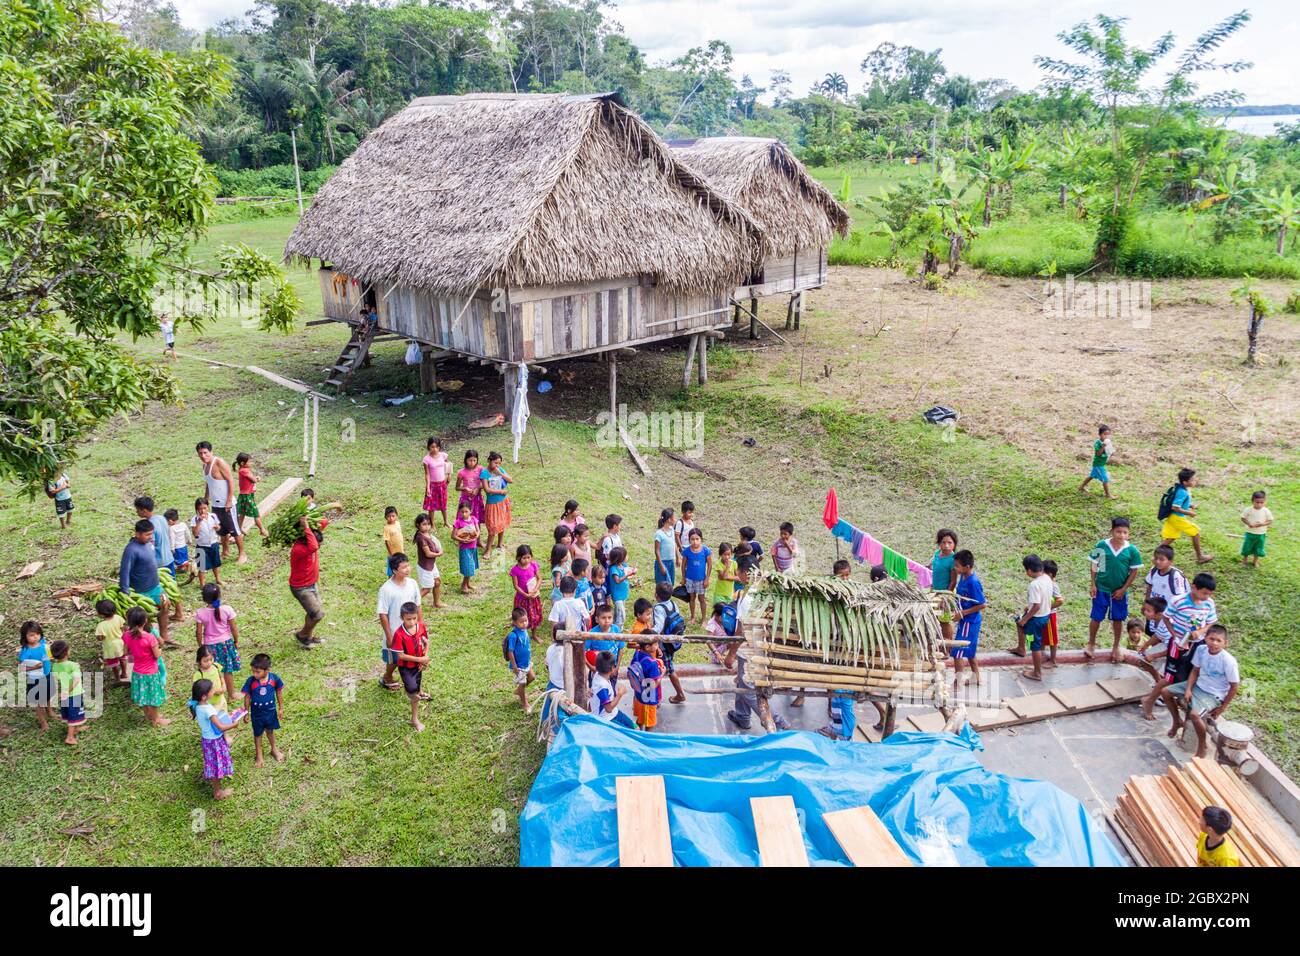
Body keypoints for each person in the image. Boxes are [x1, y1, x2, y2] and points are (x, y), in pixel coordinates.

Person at [1142, 572, 1219, 717]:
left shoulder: (1209, 603)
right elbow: (1166, 618)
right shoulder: (1178, 601)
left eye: (1209, 594)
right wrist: (1175, 635)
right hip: (1178, 644)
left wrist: (1201, 631)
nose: (1206, 597)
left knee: (1190, 674)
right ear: (1194, 587)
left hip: (1197, 644)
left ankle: (1183, 703)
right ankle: (1149, 701)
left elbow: (1210, 622)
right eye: (1204, 593)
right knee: (1169, 677)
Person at [1155, 624, 1238, 758]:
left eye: (1218, 641)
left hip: (1213, 694)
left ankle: (1202, 745)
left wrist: (1222, 708)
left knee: (1195, 715)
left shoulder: (1228, 661)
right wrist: (1188, 689)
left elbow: (1234, 686)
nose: (1214, 643)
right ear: (1205, 638)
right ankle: (1177, 721)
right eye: (1211, 639)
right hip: (1198, 685)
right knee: (1165, 692)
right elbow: (1195, 671)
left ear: (1225, 643)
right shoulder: (1201, 649)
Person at [1086, 517, 1144, 664]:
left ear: (1128, 534)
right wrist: (1093, 584)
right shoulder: (1102, 546)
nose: (1121, 535)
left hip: (1119, 592)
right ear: (1112, 531)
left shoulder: (1131, 551)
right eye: (1118, 531)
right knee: (1096, 618)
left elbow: (1133, 572)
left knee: (1118, 619)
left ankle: (1116, 646)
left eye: (1125, 532)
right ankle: (1091, 643)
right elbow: (1095, 565)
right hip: (1101, 589)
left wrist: (1123, 589)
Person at [119, 518, 173, 647]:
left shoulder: (149, 544)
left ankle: (164, 635)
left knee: (166, 605)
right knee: (145, 617)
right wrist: (125, 590)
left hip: (154, 585)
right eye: (147, 534)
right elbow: (125, 570)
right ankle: (154, 640)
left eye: (151, 533)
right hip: (141, 590)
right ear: (137, 534)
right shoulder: (131, 550)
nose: (150, 537)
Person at [190, 678, 244, 799]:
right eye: (211, 690)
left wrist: (229, 716)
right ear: (204, 696)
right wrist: (234, 724)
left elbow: (215, 722)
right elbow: (220, 726)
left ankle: (217, 789)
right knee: (216, 765)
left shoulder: (198, 706)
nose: (214, 690)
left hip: (207, 740)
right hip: (214, 741)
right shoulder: (208, 709)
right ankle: (218, 792)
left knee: (213, 763)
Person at [377, 553, 422, 690]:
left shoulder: (412, 583)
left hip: (412, 629)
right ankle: (387, 677)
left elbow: (418, 606)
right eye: (403, 567)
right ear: (395, 570)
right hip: (396, 631)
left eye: (408, 565)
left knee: (412, 657)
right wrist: (390, 635)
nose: (407, 569)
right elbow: (383, 614)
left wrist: (420, 626)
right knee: (394, 659)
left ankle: (415, 687)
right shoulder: (386, 589)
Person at [196, 441, 246, 564]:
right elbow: (209, 483)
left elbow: (230, 481)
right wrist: (205, 500)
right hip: (215, 504)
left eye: (205, 453)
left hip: (227, 504)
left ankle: (242, 554)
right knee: (221, 530)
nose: (203, 456)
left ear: (211, 451)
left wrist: (229, 500)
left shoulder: (219, 462)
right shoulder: (204, 466)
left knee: (235, 529)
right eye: (200, 453)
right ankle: (225, 551)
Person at [134, 495, 180, 623]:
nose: (137, 512)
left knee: (161, 588)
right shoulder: (161, 518)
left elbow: (151, 546)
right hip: (169, 557)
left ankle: (162, 611)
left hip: (159, 561)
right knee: (173, 585)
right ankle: (179, 612)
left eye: (137, 510)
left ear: (144, 510)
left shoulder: (149, 526)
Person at [194, 583, 240, 707]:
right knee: (227, 670)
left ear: (204, 598)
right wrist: (236, 640)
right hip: (225, 644)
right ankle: (231, 694)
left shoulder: (200, 613)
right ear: (219, 595)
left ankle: (209, 696)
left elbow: (198, 632)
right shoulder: (227, 609)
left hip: (210, 647)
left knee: (211, 670)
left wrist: (201, 646)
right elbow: (233, 628)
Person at [122, 606, 169, 727]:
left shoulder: (126, 635)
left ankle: (148, 715)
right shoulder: (150, 637)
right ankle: (156, 719)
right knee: (154, 697)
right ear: (145, 621)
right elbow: (157, 655)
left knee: (144, 696)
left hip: (137, 672)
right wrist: (160, 649)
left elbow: (126, 652)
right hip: (151, 673)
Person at [289, 513, 328, 648]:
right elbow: (314, 547)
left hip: (311, 584)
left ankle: (308, 637)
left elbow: (323, 522)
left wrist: (309, 518)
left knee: (312, 613)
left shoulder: (310, 540)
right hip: (301, 588)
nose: (319, 547)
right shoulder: (299, 549)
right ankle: (302, 635)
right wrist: (306, 526)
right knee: (317, 614)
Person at [1159, 467, 1212, 564]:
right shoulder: (1182, 492)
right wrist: (1189, 513)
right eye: (1192, 480)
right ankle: (1200, 557)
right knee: (1195, 533)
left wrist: (1190, 505)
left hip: (1172, 518)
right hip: (1177, 518)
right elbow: (1175, 507)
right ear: (1185, 482)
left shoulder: (1182, 489)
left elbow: (1179, 503)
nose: (1195, 481)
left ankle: (1157, 555)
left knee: (1170, 538)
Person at [392, 603, 431, 730]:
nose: (412, 622)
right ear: (402, 617)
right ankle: (414, 719)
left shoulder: (421, 627)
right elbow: (401, 656)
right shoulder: (399, 634)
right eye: (408, 619)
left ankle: (417, 692)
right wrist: (421, 659)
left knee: (416, 687)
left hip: (418, 666)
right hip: (406, 668)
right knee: (414, 695)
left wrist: (425, 659)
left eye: (414, 618)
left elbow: (426, 642)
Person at [241, 653, 285, 765]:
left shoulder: (274, 679)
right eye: (253, 671)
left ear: (267, 670)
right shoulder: (251, 681)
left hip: (270, 711)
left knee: (270, 731)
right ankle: (259, 755)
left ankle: (274, 749)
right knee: (257, 734)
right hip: (257, 714)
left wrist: (281, 708)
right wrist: (246, 712)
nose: (255, 674)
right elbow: (247, 696)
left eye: (258, 672)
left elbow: (279, 692)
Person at [951, 550, 985, 687]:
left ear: (967, 567)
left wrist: (963, 613)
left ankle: (957, 682)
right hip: (966, 620)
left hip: (969, 621)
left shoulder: (973, 582)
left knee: (957, 652)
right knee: (970, 651)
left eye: (958, 566)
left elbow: (982, 604)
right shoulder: (963, 576)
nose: (955, 568)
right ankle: (976, 677)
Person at [1017, 554, 1053, 681]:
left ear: (1029, 571)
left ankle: (1037, 673)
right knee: (1033, 640)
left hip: (1035, 619)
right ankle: (1021, 648)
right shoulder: (1047, 578)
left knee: (1034, 646)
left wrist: (1025, 619)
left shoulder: (1034, 584)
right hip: (1045, 616)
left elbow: (1036, 606)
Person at [651, 582, 687, 704]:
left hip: (664, 645)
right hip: (673, 641)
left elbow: (659, 627)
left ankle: (679, 694)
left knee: (666, 670)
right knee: (664, 667)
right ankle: (658, 697)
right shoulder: (673, 604)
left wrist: (648, 633)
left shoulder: (658, 608)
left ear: (656, 595)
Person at [18, 621, 53, 732]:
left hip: (47, 674)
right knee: (38, 702)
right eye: (31, 635)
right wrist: (35, 667)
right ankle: (42, 721)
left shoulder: (43, 643)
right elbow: (22, 668)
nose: (35, 637)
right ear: (25, 637)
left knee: (48, 694)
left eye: (37, 634)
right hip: (35, 680)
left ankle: (50, 711)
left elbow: (48, 654)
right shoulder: (26, 651)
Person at [589, 651, 635, 728]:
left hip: (614, 713)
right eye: (615, 666)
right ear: (612, 669)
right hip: (606, 718)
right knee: (631, 732)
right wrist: (620, 694)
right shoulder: (602, 686)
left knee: (636, 727)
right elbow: (608, 709)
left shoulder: (597, 674)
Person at [627, 639, 663, 731]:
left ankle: (638, 734)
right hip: (649, 699)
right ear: (647, 647)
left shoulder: (637, 654)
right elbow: (653, 685)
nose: (657, 646)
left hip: (638, 695)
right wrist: (662, 673)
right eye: (655, 644)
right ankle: (646, 740)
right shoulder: (652, 663)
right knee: (649, 723)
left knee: (640, 718)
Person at [412, 513, 447, 608]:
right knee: (427, 589)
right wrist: (438, 554)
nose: (427, 526)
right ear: (418, 525)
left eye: (428, 524)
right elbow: (428, 554)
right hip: (425, 567)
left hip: (431, 565)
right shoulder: (421, 538)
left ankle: (437, 602)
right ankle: (411, 606)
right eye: (424, 524)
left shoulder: (427, 534)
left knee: (437, 582)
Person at [504, 607, 534, 713]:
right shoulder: (513, 635)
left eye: (526, 620)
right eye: (521, 622)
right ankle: (524, 703)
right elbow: (510, 652)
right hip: (519, 665)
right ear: (514, 622)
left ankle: (519, 690)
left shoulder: (524, 630)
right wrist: (515, 666)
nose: (525, 624)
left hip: (526, 662)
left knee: (532, 677)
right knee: (522, 683)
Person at [480, 452, 512, 553]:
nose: (497, 465)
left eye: (499, 463)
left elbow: (510, 480)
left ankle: (500, 544)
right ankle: (488, 550)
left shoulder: (500, 470)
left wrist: (500, 473)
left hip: (502, 501)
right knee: (493, 527)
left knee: (502, 523)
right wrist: (501, 491)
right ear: (489, 461)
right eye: (495, 463)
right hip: (492, 504)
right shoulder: (484, 473)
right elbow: (487, 489)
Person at [929, 529, 958, 641]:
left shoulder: (953, 560)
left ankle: (948, 647)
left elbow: (953, 581)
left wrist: (945, 597)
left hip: (946, 593)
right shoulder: (937, 554)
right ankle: (939, 644)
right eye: (943, 542)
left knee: (945, 621)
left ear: (954, 544)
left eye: (950, 543)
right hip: (935, 592)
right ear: (939, 543)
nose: (946, 545)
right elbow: (934, 567)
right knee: (936, 619)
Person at [509, 545, 543, 641]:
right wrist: (525, 594)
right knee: (522, 617)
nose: (527, 560)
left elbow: (539, 578)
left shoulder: (533, 565)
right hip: (522, 598)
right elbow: (516, 586)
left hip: (533, 596)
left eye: (529, 557)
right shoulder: (515, 570)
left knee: (534, 616)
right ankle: (521, 635)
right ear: (519, 557)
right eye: (524, 558)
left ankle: (534, 634)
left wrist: (536, 589)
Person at [681, 529, 713, 625]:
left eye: (697, 539)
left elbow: (710, 565)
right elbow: (683, 565)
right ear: (689, 540)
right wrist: (683, 577)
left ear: (701, 539)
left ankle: (703, 619)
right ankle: (693, 617)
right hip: (689, 579)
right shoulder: (686, 551)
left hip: (701, 580)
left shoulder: (705, 550)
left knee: (702, 599)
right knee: (692, 598)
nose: (695, 542)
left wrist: (707, 579)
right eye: (692, 539)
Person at [95, 598, 130, 686]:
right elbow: (124, 629)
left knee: (114, 664)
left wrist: (101, 636)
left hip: (110, 647)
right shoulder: (118, 618)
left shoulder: (101, 625)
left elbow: (100, 638)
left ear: (102, 615)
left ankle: (117, 678)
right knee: (123, 659)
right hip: (121, 644)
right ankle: (124, 673)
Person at [233, 453, 268, 538]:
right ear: (242, 463)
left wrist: (255, 478)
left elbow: (250, 479)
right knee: (256, 513)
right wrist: (257, 478)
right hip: (246, 496)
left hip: (246, 495)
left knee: (242, 513)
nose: (251, 463)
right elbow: (253, 480)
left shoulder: (244, 470)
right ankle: (262, 530)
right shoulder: (244, 470)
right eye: (249, 461)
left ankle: (239, 528)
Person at [190, 498, 223, 588]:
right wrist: (199, 522)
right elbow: (195, 533)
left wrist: (217, 527)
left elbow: (219, 527)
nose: (202, 511)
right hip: (201, 546)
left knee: (215, 563)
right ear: (197, 509)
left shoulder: (213, 516)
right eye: (200, 509)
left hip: (213, 543)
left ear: (208, 507)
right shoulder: (195, 519)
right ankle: (202, 584)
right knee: (202, 567)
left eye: (204, 508)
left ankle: (218, 579)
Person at [1239, 490, 1273, 567]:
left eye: (1262, 502)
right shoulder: (1249, 509)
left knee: (1258, 548)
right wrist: (1249, 524)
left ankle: (1255, 561)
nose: (1259, 504)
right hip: (1250, 533)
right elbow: (1243, 518)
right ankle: (1244, 560)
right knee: (1247, 547)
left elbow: (1270, 520)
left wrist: (1262, 524)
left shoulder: (1266, 511)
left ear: (1265, 502)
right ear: (1252, 501)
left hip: (1261, 534)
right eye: (1257, 502)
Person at [193, 645, 230, 715]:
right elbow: (198, 691)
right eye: (205, 661)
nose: (209, 663)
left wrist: (224, 686)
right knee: (214, 720)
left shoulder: (216, 666)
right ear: (199, 660)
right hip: (209, 703)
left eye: (211, 659)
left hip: (221, 698)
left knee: (224, 715)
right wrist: (214, 691)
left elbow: (221, 677)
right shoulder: (199, 674)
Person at [422, 437, 450, 527]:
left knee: (443, 504)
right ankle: (432, 524)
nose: (435, 449)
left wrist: (449, 475)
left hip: (442, 484)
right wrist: (428, 487)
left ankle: (446, 522)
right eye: (432, 447)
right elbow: (427, 474)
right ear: (429, 447)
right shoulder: (427, 459)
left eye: (437, 447)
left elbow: (448, 465)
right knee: (431, 507)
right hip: (433, 485)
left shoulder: (443, 456)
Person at [1079, 424, 1114, 498]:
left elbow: (1109, 452)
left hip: (1101, 464)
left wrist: (1111, 451)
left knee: (1092, 476)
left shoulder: (1107, 442)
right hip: (1098, 464)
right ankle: (1108, 495)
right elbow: (1098, 454)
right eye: (1104, 434)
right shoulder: (1097, 443)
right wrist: (1103, 446)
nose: (1106, 436)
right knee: (1105, 479)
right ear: (1099, 434)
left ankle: (1081, 487)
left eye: (1108, 435)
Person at [452, 502, 480, 593]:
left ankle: (468, 583)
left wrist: (476, 536)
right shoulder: (458, 522)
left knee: (471, 565)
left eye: (466, 511)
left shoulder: (474, 519)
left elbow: (478, 530)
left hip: (473, 547)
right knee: (468, 566)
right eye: (462, 512)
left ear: (470, 511)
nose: (464, 514)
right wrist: (462, 540)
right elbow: (453, 536)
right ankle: (463, 586)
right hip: (464, 548)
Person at [703, 600, 739, 670]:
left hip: (725, 644)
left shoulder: (723, 621)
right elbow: (709, 640)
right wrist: (716, 652)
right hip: (717, 648)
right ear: (716, 615)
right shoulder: (712, 625)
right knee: (716, 664)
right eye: (723, 616)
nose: (725, 618)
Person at [606, 547, 636, 631]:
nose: (627, 557)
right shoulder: (613, 569)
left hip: (623, 594)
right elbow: (617, 580)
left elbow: (629, 569)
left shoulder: (623, 566)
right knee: (621, 614)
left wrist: (633, 571)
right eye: (626, 556)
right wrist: (627, 575)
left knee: (618, 612)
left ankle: (615, 626)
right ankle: (618, 630)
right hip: (617, 596)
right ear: (620, 558)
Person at [1041, 558, 1064, 668]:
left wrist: (1047, 606)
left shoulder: (1053, 585)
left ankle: (1053, 660)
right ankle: (1040, 655)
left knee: (1052, 639)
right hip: (1041, 613)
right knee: (1041, 636)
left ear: (1049, 574)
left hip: (1050, 615)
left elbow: (1060, 601)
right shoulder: (1042, 583)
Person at [166, 508, 193, 583]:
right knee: (184, 557)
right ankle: (185, 565)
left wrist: (172, 548)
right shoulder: (183, 525)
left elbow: (172, 539)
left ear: (170, 521)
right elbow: (187, 533)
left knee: (178, 559)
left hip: (177, 547)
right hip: (183, 545)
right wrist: (189, 540)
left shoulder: (171, 528)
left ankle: (184, 567)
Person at [653, 509, 677, 586]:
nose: (675, 519)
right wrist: (661, 565)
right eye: (674, 518)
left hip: (671, 561)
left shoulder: (672, 530)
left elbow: (674, 544)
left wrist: (677, 557)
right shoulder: (659, 534)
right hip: (662, 562)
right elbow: (657, 551)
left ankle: (668, 598)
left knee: (670, 584)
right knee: (662, 585)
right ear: (669, 519)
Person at [673, 501, 697, 568]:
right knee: (685, 565)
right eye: (689, 513)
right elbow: (676, 536)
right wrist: (680, 548)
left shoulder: (691, 522)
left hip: (690, 546)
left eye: (692, 512)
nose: (691, 514)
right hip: (683, 547)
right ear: (683, 512)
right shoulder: (680, 523)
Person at [382, 506, 403, 576]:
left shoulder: (398, 523)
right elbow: (387, 542)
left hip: (400, 550)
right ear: (385, 517)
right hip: (392, 553)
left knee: (400, 567)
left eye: (393, 516)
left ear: (396, 515)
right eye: (388, 516)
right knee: (391, 569)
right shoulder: (386, 528)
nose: (391, 518)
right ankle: (390, 582)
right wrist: (391, 553)